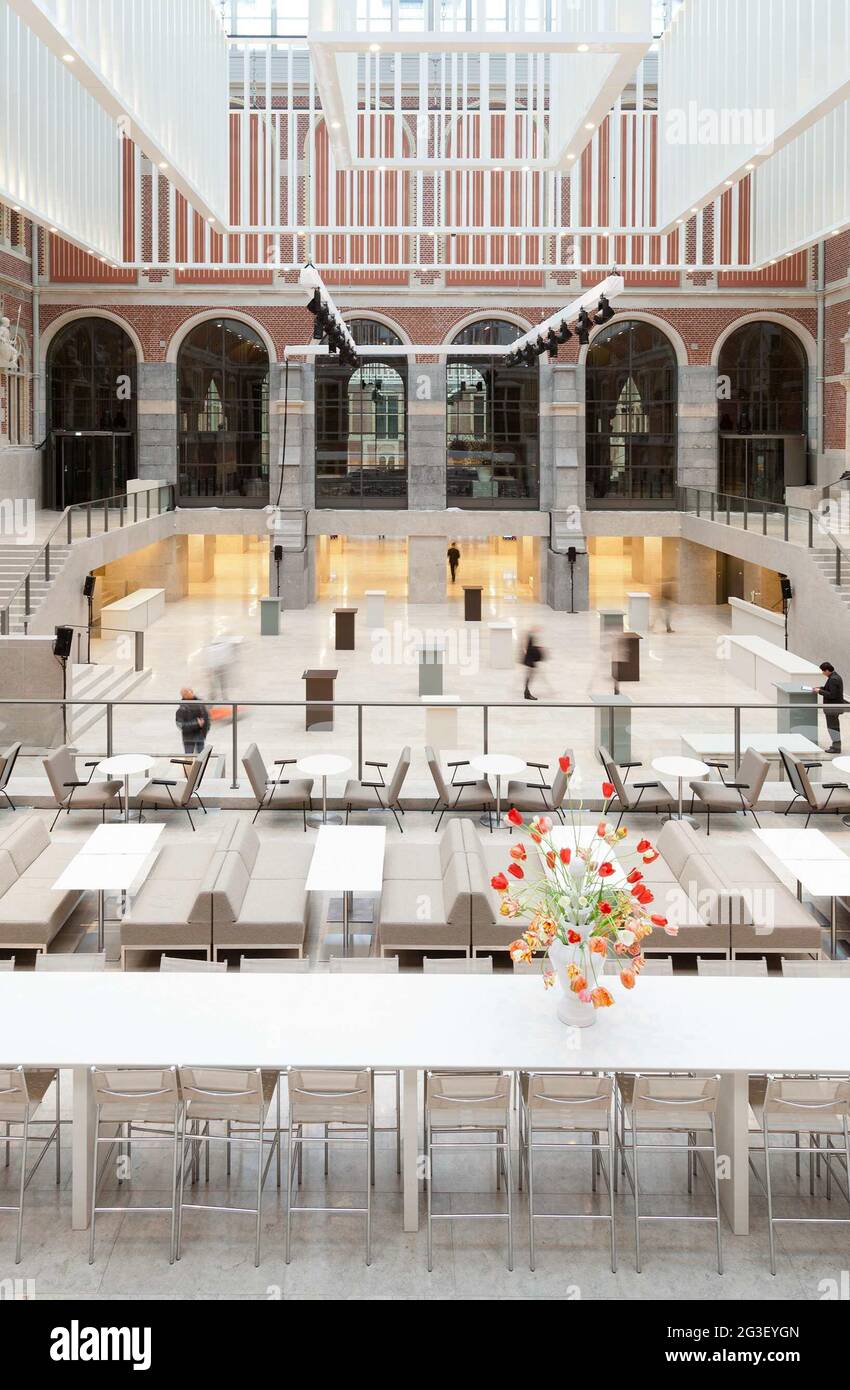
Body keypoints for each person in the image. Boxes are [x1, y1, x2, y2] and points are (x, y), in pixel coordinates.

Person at [811, 662, 845, 753]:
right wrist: (820, 688)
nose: (822, 673)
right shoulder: (834, 677)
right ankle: (836, 745)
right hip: (833, 708)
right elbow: (829, 689)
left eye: (823, 671)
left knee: (833, 728)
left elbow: (832, 695)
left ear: (827, 670)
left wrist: (819, 691)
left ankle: (836, 747)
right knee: (834, 727)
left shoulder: (833, 679)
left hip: (832, 708)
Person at [175, 687, 210, 756]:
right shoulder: (182, 709)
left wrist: (205, 730)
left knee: (201, 757)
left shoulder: (200, 704)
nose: (190, 694)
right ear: (183, 695)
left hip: (200, 736)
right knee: (189, 759)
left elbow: (207, 717)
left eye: (190, 692)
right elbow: (181, 725)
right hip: (188, 738)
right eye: (187, 693)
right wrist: (197, 724)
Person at [521, 629, 545, 701]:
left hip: (529, 659)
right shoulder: (529, 637)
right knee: (529, 676)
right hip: (530, 660)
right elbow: (528, 649)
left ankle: (526, 692)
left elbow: (526, 649)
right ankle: (527, 693)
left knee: (529, 676)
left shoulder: (529, 637)